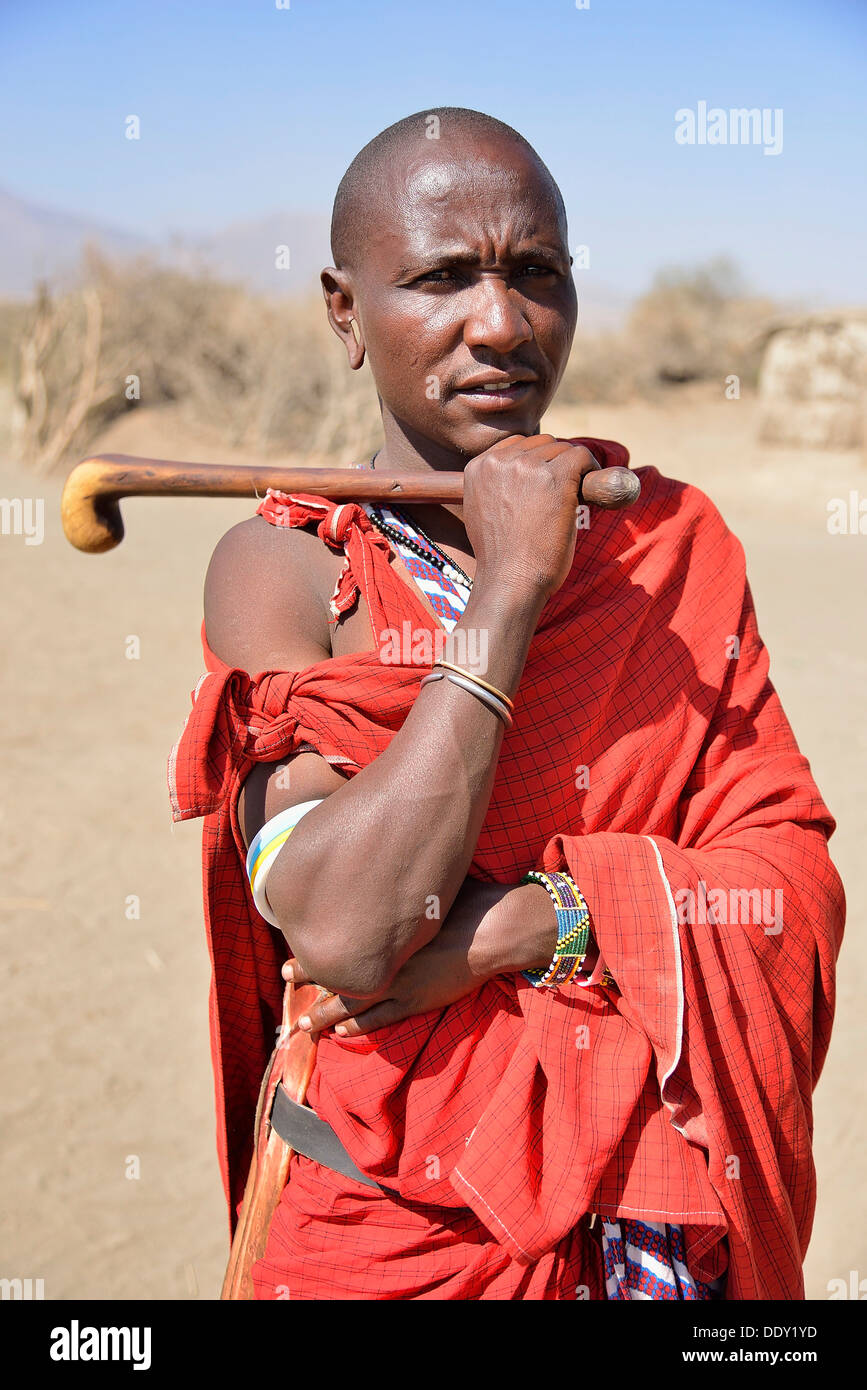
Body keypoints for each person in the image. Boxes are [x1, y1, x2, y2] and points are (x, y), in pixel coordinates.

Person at [169, 107, 845, 1300]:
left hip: (653, 1216)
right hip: (388, 1225)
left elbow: (785, 871)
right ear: (345, 311)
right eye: (441, 279)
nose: (502, 325)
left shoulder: (667, 545)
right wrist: (512, 590)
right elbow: (352, 933)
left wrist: (535, 921)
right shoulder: (289, 571)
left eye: (537, 274)